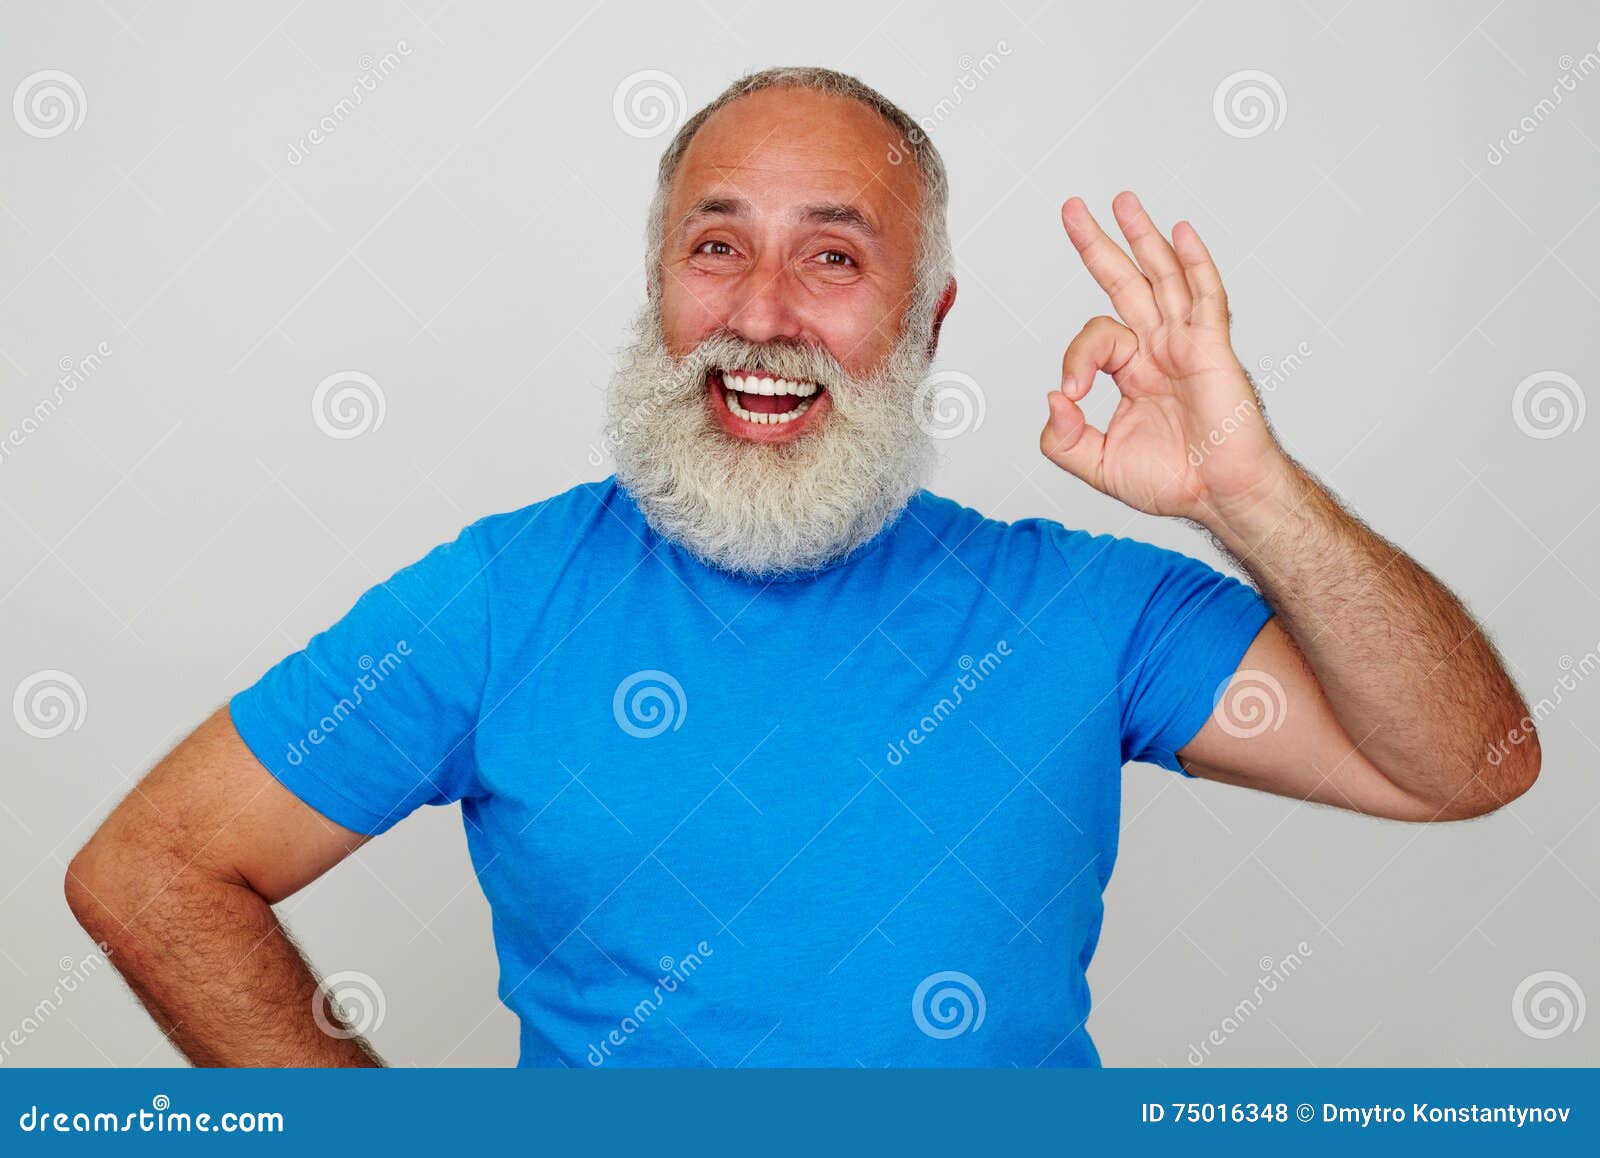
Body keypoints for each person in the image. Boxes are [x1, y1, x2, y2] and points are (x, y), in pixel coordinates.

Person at [66, 67, 1538, 1068]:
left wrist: (1250, 491)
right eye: (717, 247)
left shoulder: (1083, 610)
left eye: (834, 259)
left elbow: (1470, 760)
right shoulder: (505, 597)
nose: (760, 310)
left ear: (928, 318)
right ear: (660, 283)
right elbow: (151, 868)